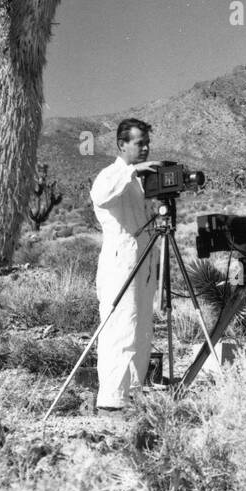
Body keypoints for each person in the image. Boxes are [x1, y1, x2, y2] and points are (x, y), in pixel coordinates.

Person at [90, 118, 159, 411]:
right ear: (122, 144)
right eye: (139, 143)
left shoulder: (137, 182)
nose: (145, 148)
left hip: (143, 260)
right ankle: (112, 400)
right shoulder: (110, 176)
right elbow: (101, 196)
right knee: (121, 326)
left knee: (141, 327)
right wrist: (132, 172)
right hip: (121, 261)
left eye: (147, 143)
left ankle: (133, 393)